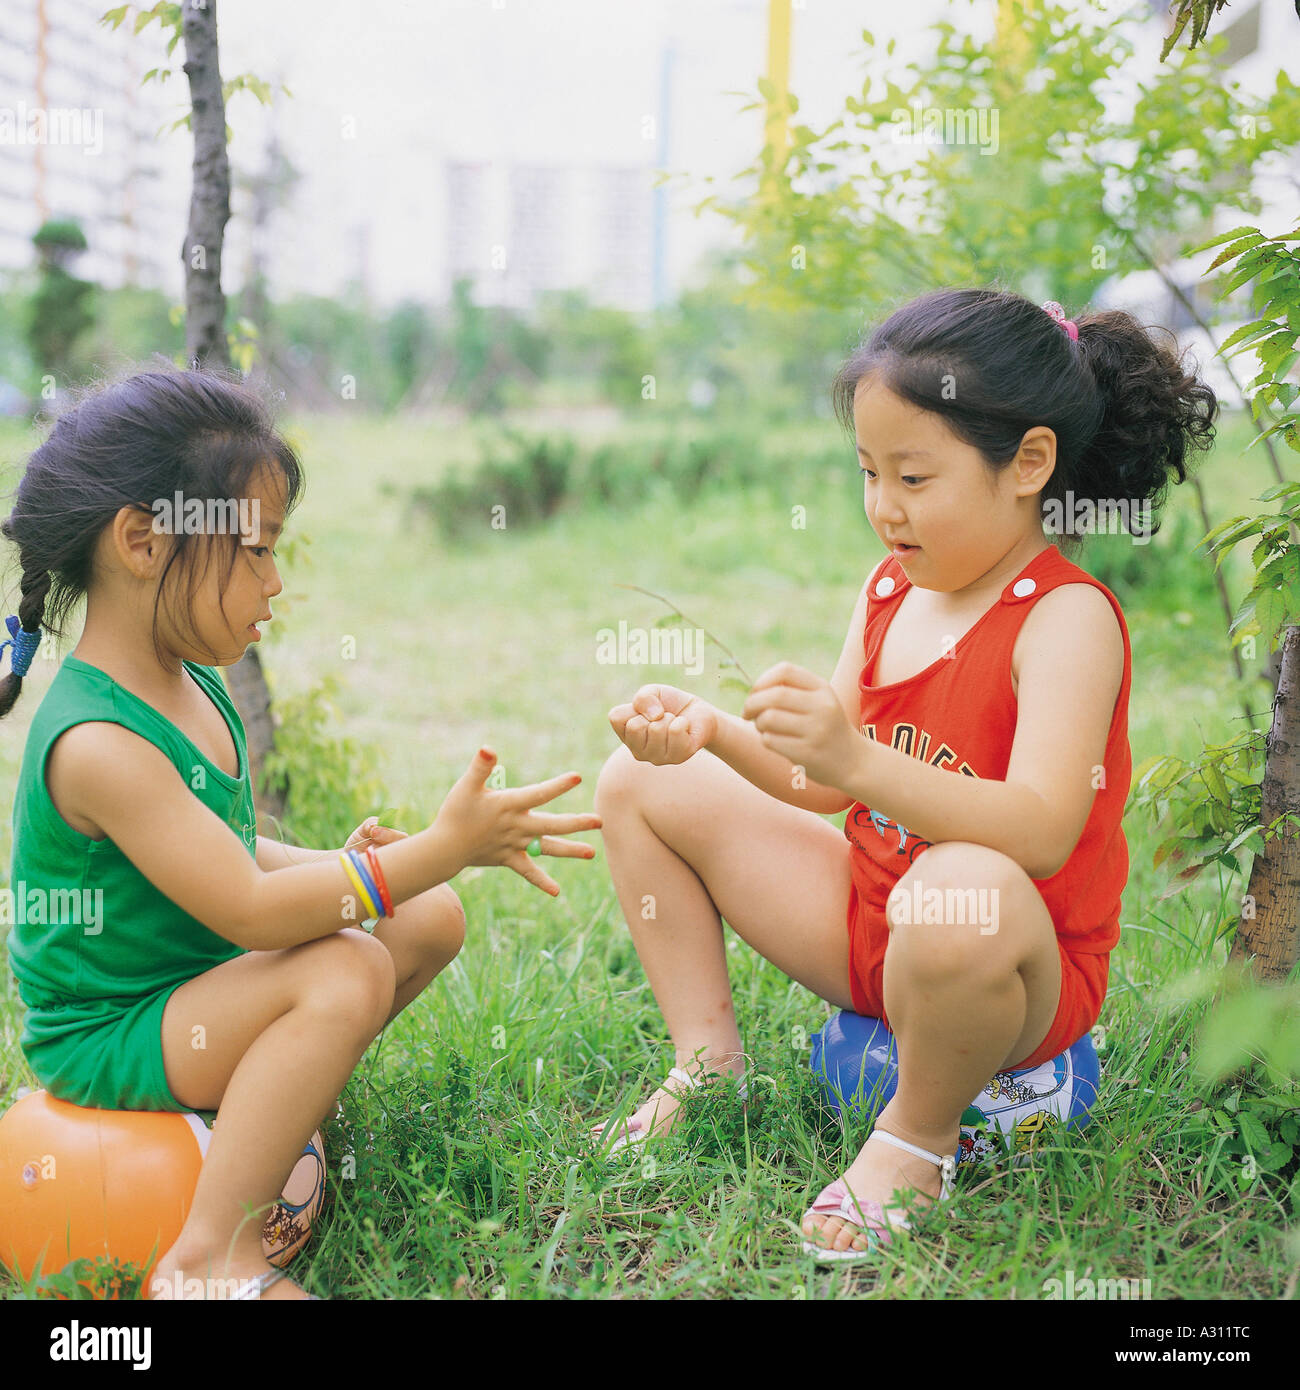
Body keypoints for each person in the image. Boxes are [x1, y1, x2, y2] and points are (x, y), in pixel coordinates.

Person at [592, 288, 1217, 1259]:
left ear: (1030, 464)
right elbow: (827, 790)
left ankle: (913, 1140)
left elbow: (1042, 829)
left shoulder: (1065, 618)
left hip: (1013, 959)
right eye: (867, 472)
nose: (884, 506)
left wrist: (855, 754)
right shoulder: (891, 588)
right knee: (635, 786)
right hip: (875, 921)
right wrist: (713, 730)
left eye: (914, 476)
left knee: (955, 886)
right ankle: (705, 1061)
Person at [1, 366, 601, 1298]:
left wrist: (366, 871)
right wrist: (437, 846)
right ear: (142, 543)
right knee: (347, 962)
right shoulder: (98, 743)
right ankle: (211, 1261)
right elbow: (247, 907)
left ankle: (275, 1116)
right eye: (255, 550)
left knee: (427, 916)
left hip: (192, 991)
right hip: (117, 1031)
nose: (276, 582)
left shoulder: (191, 681)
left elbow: (230, 855)